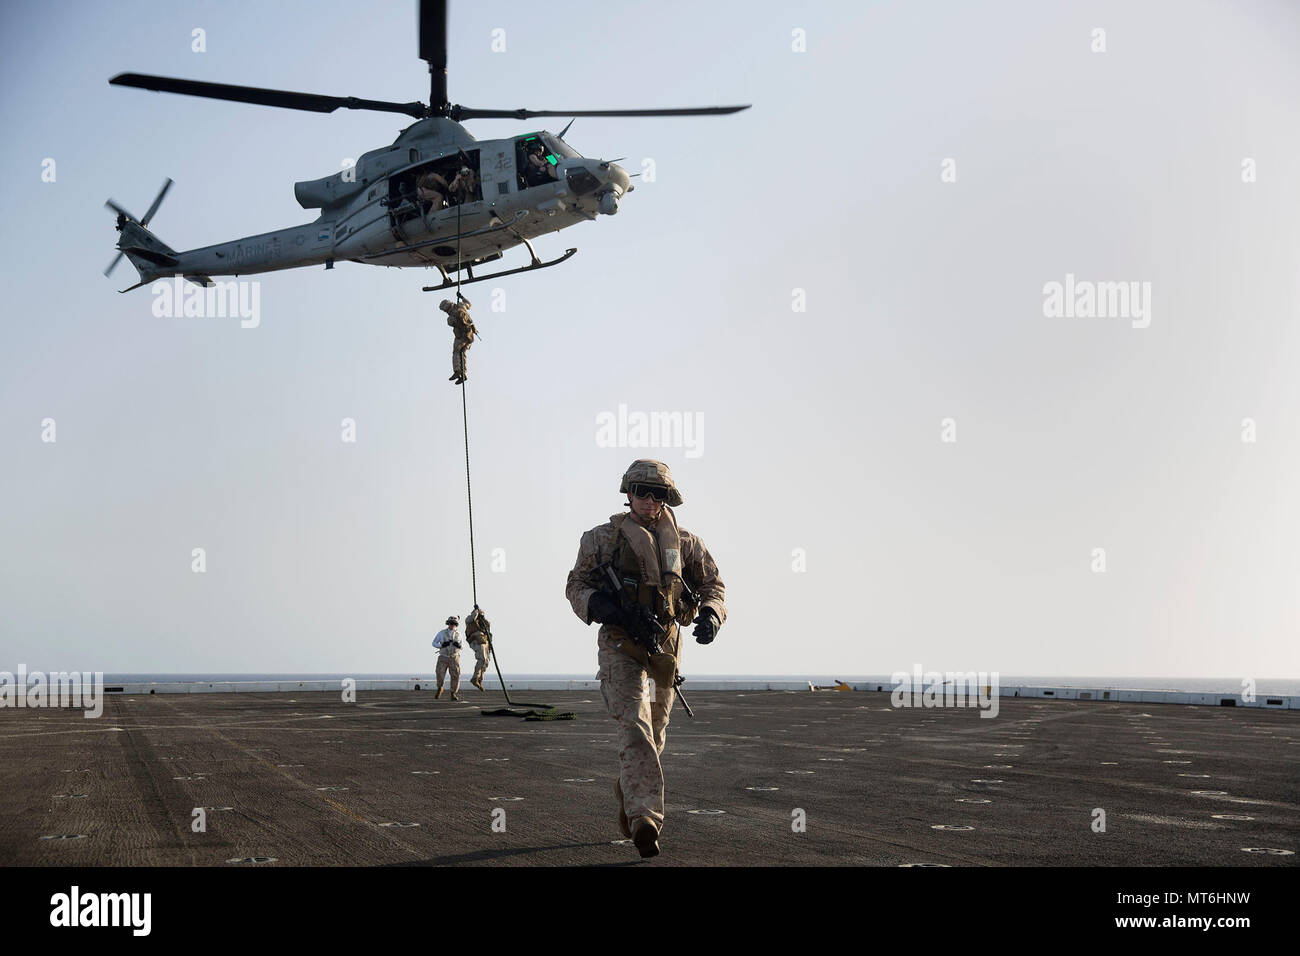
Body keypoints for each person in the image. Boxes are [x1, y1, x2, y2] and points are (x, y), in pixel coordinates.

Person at [564, 459, 726, 859]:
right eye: (641, 492)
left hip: (664, 650)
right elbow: (575, 586)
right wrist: (604, 605)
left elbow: (713, 584)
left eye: (658, 495)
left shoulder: (687, 543)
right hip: (621, 646)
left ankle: (631, 793)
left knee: (654, 734)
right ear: (627, 494)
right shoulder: (600, 539)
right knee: (635, 727)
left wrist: (711, 616)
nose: (650, 501)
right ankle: (645, 820)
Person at [439, 294, 477, 384]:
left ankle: (457, 371)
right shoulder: (461, 306)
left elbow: (451, 323)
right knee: (462, 353)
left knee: (456, 352)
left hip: (462, 336)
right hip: (470, 335)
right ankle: (463, 374)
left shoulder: (451, 317)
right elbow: (469, 304)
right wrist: (462, 297)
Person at [432, 615, 463, 701]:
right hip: (443, 657)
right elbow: (434, 643)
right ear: (448, 623)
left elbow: (462, 646)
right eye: (450, 623)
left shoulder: (459, 634)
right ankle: (440, 687)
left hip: (454, 657)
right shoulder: (441, 633)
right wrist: (441, 645)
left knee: (455, 675)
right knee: (440, 674)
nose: (452, 625)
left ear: (456, 625)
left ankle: (453, 693)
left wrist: (458, 646)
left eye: (453, 624)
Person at [464, 604, 492, 692]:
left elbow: (488, 624)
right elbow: (472, 618)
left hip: (484, 642)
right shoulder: (469, 620)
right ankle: (475, 678)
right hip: (476, 641)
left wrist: (482, 616)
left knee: (486, 661)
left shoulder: (484, 623)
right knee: (482, 659)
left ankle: (480, 678)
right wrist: (476, 612)